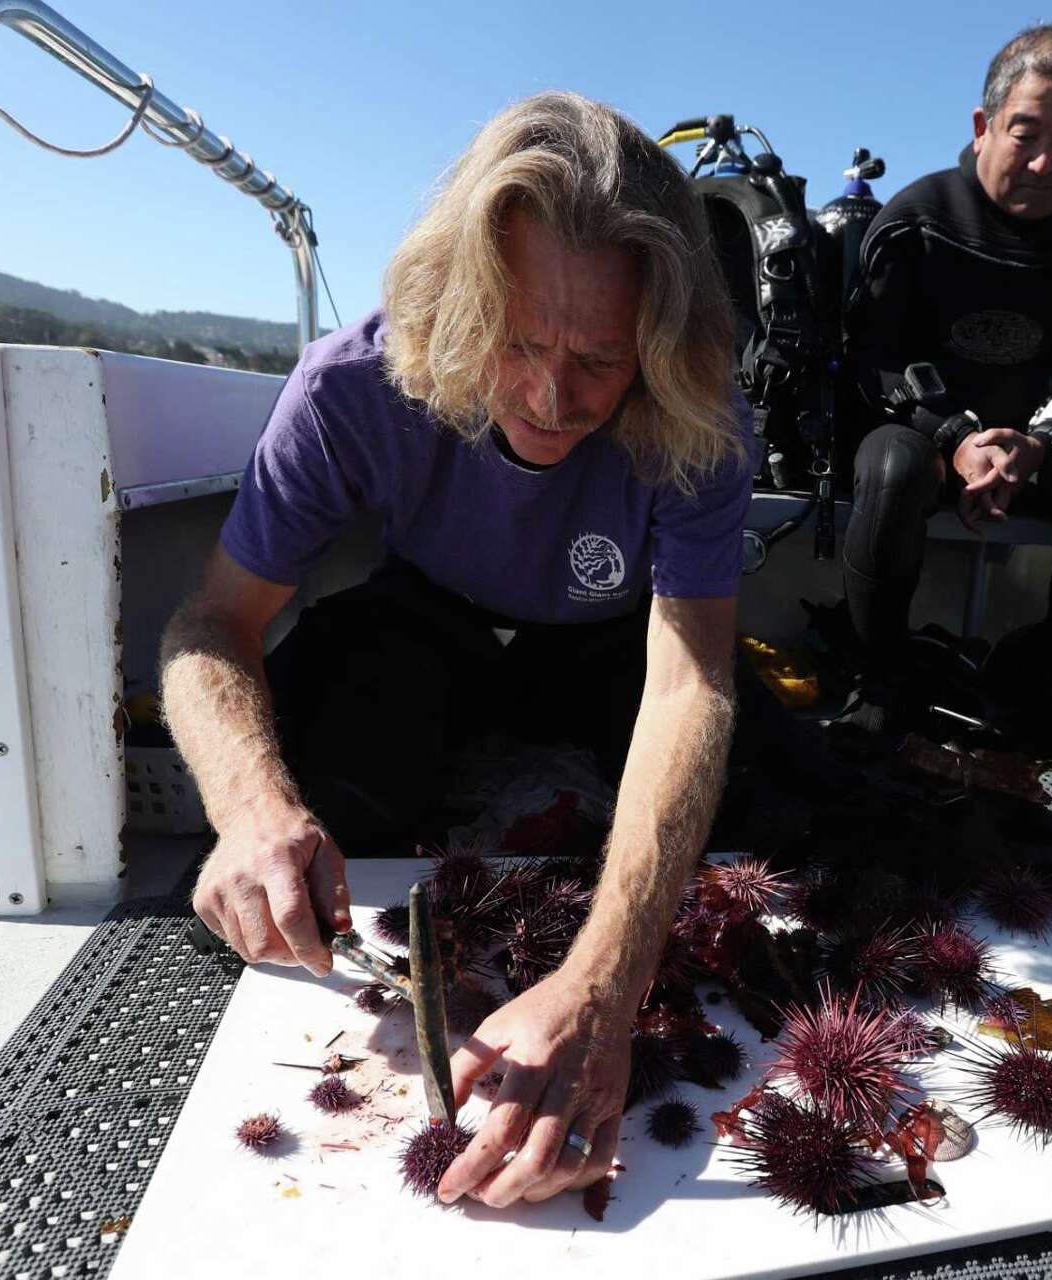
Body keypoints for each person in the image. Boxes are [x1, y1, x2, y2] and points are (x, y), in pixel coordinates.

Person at [158, 93, 750, 1207]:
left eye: (598, 360)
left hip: (613, 641)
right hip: (430, 617)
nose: (549, 397)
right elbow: (211, 624)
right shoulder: (349, 387)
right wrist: (250, 803)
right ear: (461, 299)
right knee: (332, 767)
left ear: (659, 350)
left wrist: (606, 983)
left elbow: (691, 678)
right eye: (520, 342)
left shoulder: (697, 423)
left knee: (752, 814)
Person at [837, 23, 1052, 731]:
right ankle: (881, 673)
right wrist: (955, 437)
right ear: (984, 124)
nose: (1045, 163)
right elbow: (872, 360)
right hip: (924, 439)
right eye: (1026, 133)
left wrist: (1039, 444)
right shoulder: (918, 220)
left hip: (1035, 449)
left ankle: (1045, 675)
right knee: (892, 468)